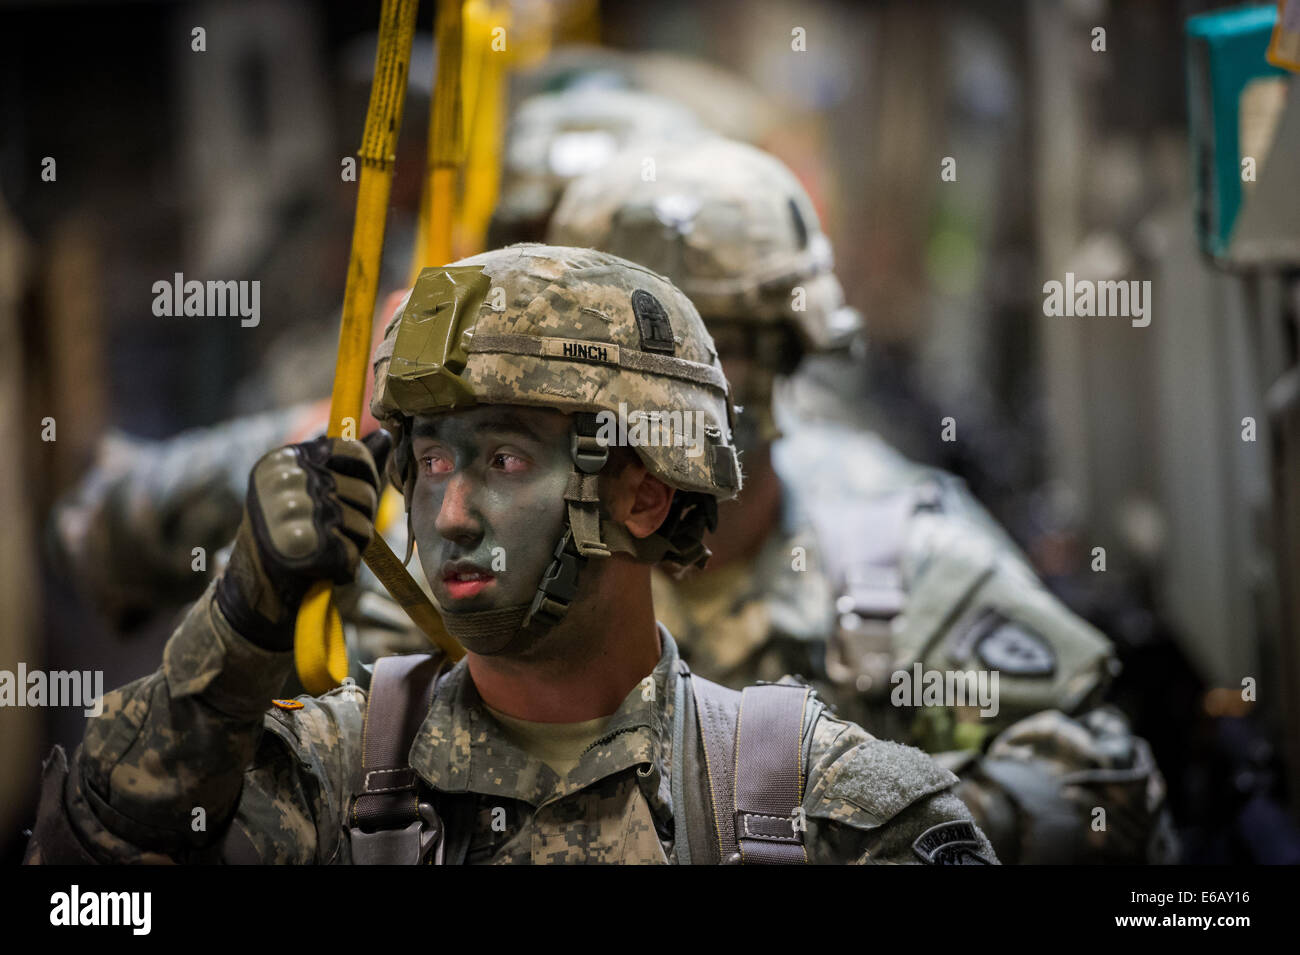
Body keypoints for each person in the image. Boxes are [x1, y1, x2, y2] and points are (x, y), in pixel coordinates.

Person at [25, 245, 996, 865]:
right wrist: (238, 623)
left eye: (501, 459)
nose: (445, 513)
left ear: (644, 491)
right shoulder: (328, 776)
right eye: (430, 459)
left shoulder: (843, 815)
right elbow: (95, 867)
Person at [547, 138, 1176, 865]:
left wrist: (883, 823)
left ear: (786, 354)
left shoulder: (895, 548)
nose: (653, 397)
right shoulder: (508, 548)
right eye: (606, 359)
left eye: (709, 350)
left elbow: (1109, 785)